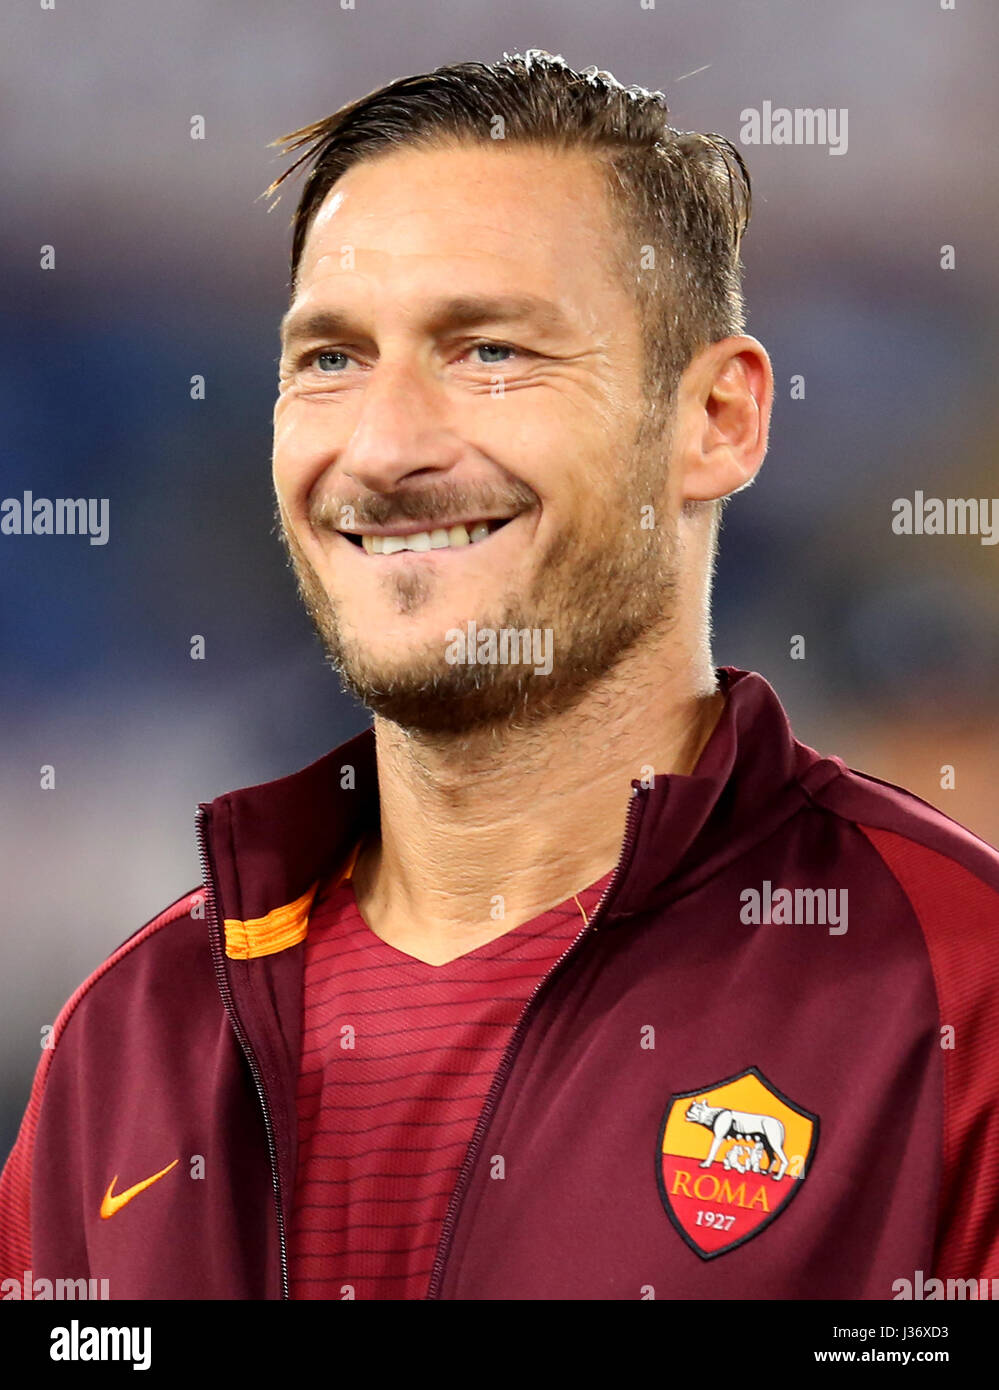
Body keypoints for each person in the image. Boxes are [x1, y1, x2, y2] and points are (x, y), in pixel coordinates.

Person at [2, 49, 997, 1302]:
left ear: (717, 420)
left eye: (490, 351)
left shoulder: (964, 995)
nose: (385, 447)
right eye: (330, 359)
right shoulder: (129, 1037)